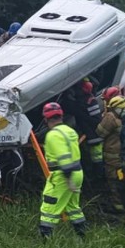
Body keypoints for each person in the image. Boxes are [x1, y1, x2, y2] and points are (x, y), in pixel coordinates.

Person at [39, 102, 87, 239]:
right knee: (73, 206)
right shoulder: (70, 131)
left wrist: (68, 178)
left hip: (63, 175)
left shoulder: (53, 135)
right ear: (61, 116)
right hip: (78, 172)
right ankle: (82, 237)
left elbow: (64, 158)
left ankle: (46, 240)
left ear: (46, 119)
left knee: (49, 206)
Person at [61, 79, 104, 174]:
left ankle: (97, 174)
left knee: (94, 159)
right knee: (96, 158)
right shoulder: (89, 99)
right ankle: (98, 174)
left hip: (92, 136)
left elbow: (70, 108)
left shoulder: (87, 102)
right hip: (92, 135)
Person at [96, 87, 124, 213]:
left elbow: (100, 132)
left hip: (112, 157)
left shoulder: (110, 117)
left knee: (113, 182)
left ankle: (119, 209)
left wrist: (103, 117)